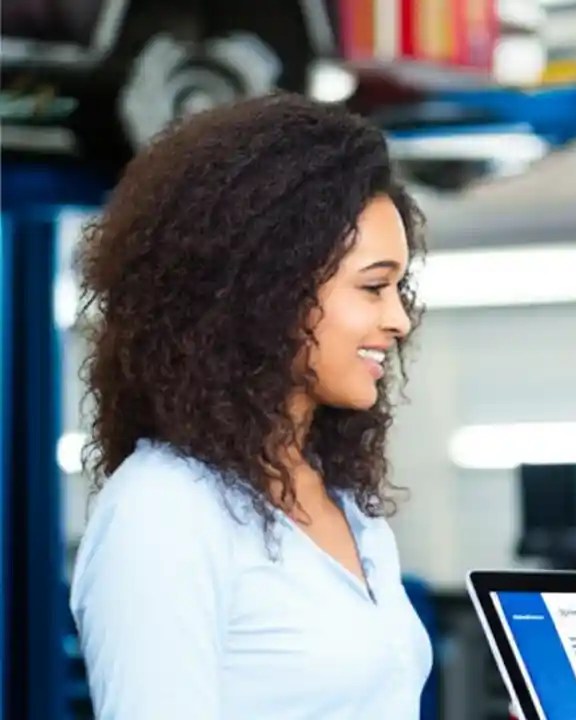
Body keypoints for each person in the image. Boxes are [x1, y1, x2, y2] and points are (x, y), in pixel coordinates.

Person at [69, 93, 433, 719]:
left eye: (398, 288)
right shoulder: (163, 512)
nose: (398, 319)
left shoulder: (346, 504)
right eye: (373, 287)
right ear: (269, 288)